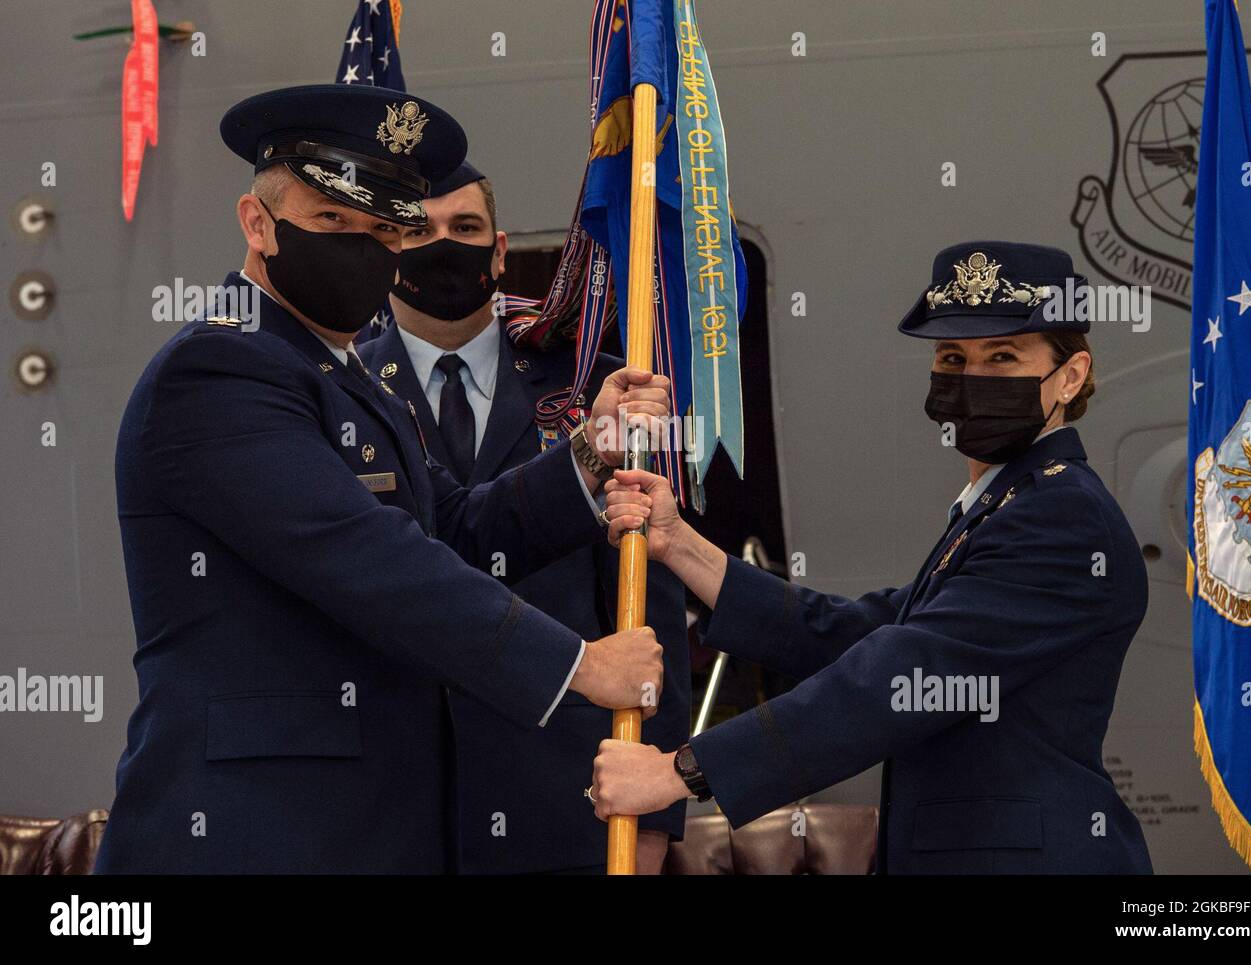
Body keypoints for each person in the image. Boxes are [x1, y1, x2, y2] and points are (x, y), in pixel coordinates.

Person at [97, 84, 668, 874]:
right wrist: (582, 664)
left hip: (372, 831)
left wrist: (588, 455)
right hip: (251, 835)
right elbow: (375, 559)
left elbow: (458, 530)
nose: (363, 247)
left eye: (381, 227)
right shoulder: (219, 369)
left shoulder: (350, 381)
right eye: (332, 220)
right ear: (258, 224)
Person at [592, 241, 1154, 874]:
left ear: (1070, 376)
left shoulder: (1060, 516)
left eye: (1003, 356)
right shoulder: (1004, 503)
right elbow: (861, 633)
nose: (972, 377)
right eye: (952, 357)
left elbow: (901, 677)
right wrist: (680, 544)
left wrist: (680, 771)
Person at [359, 162, 689, 874]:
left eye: (465, 228)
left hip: (563, 796)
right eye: (418, 230)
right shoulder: (345, 390)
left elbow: (649, 603)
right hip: (395, 799)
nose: (444, 245)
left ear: (500, 251)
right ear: (384, 247)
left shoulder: (592, 389)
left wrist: (657, 814)